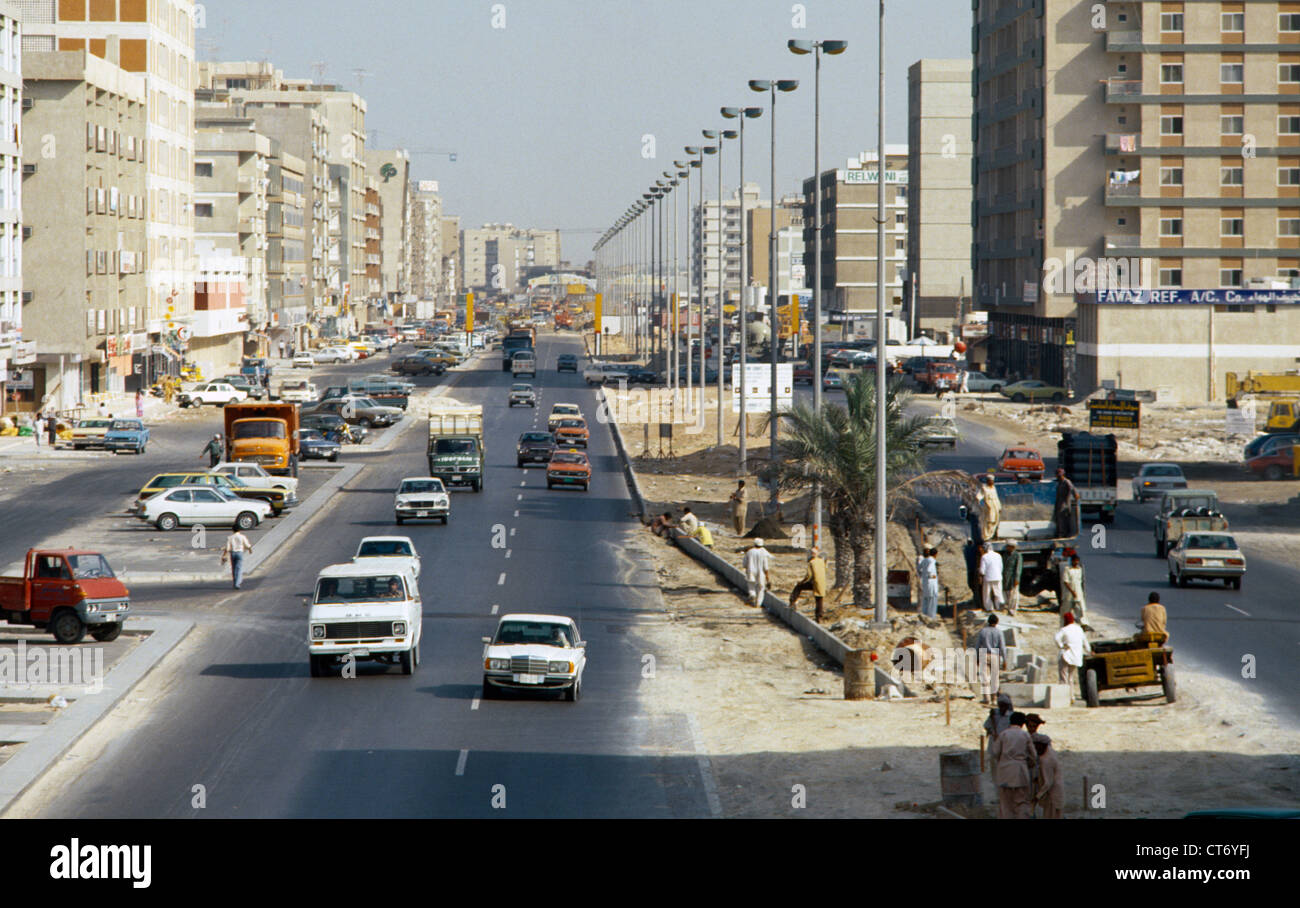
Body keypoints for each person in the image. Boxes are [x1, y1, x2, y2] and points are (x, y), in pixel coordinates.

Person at [990, 712, 1038, 819]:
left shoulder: (1004, 734)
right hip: (1020, 772)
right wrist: (1028, 764)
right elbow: (1034, 755)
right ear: (1023, 723)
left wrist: (1003, 760)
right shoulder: (1025, 735)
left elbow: (995, 752)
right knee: (1021, 802)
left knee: (1005, 804)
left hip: (1004, 772)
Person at [974, 613, 1007, 704]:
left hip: (984, 654)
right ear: (997, 622)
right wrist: (1005, 659)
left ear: (988, 621)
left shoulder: (983, 631)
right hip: (995, 656)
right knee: (995, 678)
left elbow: (978, 645)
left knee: (984, 677)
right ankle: (994, 699)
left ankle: (986, 698)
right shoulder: (999, 632)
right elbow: (1002, 647)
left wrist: (977, 657)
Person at [1053, 612, 1090, 692]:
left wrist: (1061, 646)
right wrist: (1089, 651)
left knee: (1063, 678)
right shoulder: (1079, 629)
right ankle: (1071, 695)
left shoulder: (1064, 629)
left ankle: (1064, 695)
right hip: (1076, 657)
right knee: (1070, 677)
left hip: (1066, 655)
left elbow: (1056, 638)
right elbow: (1085, 642)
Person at [789, 546, 829, 621]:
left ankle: (792, 601)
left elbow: (808, 575)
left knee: (799, 587)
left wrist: (801, 582)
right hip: (822, 583)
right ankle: (819, 617)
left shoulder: (811, 562)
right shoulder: (821, 561)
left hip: (815, 582)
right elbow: (825, 570)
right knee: (819, 599)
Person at [1032, 733, 1064, 819]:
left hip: (1052, 796)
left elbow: (1048, 783)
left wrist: (1037, 796)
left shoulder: (1046, 760)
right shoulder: (1050, 752)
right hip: (1056, 793)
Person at [743, 538, 772, 606]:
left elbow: (744, 564)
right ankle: (758, 603)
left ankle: (752, 594)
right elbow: (765, 566)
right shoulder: (763, 553)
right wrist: (767, 577)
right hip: (761, 573)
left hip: (751, 571)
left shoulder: (749, 552)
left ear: (754, 544)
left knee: (751, 585)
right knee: (761, 588)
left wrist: (747, 569)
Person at [978, 542, 1005, 612]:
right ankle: (999, 606)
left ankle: (989, 608)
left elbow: (982, 570)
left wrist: (981, 576)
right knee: (998, 592)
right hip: (998, 577)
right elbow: (1001, 567)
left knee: (987, 594)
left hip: (988, 577)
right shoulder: (998, 555)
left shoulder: (984, 557)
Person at [1060, 555, 1086, 625]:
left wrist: (1081, 592)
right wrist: (1072, 592)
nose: (1076, 562)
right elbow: (1066, 582)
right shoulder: (1067, 569)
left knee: (1081, 609)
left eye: (1077, 561)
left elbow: (1081, 582)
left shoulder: (1079, 569)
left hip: (1078, 592)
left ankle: (1082, 624)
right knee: (1066, 610)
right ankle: (1064, 624)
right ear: (1072, 561)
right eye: (1075, 561)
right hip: (1069, 593)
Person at [1054, 468, 1079, 539]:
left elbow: (1074, 491)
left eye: (1060, 475)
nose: (1058, 476)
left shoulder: (1067, 482)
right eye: (1057, 475)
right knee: (1058, 520)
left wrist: (1076, 500)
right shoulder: (1058, 482)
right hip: (1058, 504)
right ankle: (1059, 533)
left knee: (1062, 520)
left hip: (1064, 505)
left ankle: (1063, 534)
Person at [917, 546, 939, 619]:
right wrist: (932, 576)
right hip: (931, 584)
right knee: (932, 602)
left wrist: (923, 576)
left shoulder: (924, 560)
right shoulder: (932, 560)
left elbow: (918, 568)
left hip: (925, 584)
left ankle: (924, 617)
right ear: (935, 554)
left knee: (925, 601)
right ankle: (931, 617)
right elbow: (929, 570)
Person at [977, 474, 1001, 539]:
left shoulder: (993, 488)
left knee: (995, 521)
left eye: (992, 480)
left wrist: (999, 507)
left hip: (995, 506)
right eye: (990, 480)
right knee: (989, 521)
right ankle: (986, 536)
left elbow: (996, 498)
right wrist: (981, 505)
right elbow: (978, 497)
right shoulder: (984, 488)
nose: (991, 482)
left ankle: (991, 535)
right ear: (987, 481)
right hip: (988, 506)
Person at [1001, 540, 1023, 613]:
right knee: (1006, 592)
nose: (1007, 548)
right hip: (1006, 576)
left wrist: (1017, 579)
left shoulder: (1017, 555)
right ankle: (1006, 606)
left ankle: (1012, 609)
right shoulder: (1005, 555)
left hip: (1013, 577)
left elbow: (1018, 568)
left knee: (1014, 594)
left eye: (1008, 546)